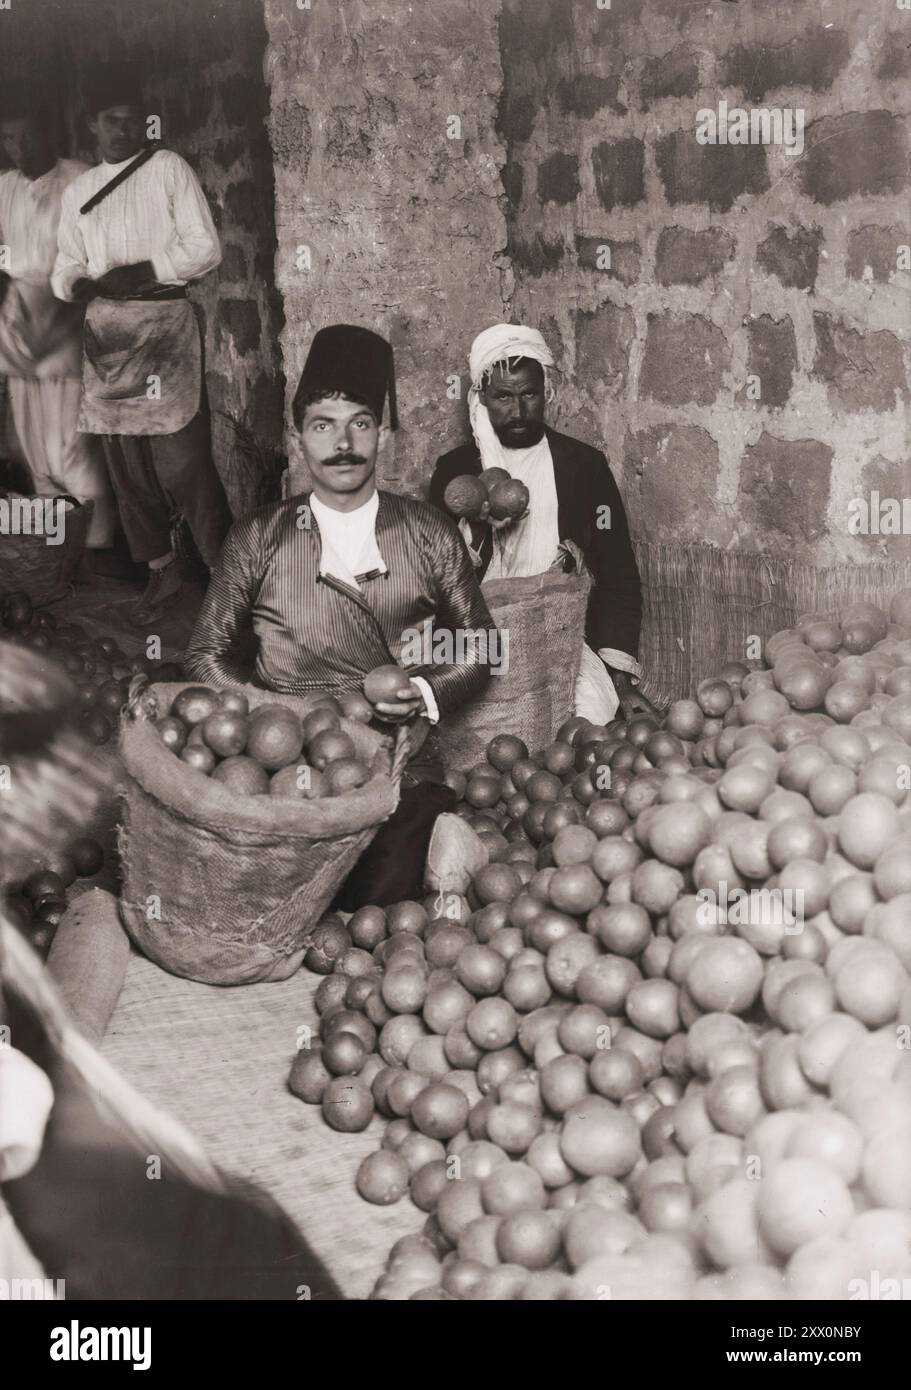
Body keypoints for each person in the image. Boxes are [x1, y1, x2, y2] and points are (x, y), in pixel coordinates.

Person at [185, 324, 495, 907]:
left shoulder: (427, 531)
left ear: (382, 435)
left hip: (389, 752)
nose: (343, 443)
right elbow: (205, 653)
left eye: (360, 423)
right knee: (254, 876)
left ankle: (432, 842)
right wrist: (268, 718)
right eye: (323, 425)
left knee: (376, 888)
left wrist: (425, 696)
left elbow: (482, 645)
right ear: (300, 438)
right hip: (282, 754)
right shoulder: (258, 537)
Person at [51, 64, 232, 624]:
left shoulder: (168, 169)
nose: (125, 131)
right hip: (107, 335)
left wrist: (146, 268)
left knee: (183, 466)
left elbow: (205, 247)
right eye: (113, 122)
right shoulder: (79, 190)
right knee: (127, 470)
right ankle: (163, 573)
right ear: (93, 127)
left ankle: (229, 583)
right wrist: (77, 283)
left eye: (134, 122)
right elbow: (66, 263)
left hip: (163, 324)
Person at [430, 322, 656, 723]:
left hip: (559, 637)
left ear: (546, 392)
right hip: (477, 639)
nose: (517, 411)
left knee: (589, 721)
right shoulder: (456, 473)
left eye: (529, 394)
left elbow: (619, 575)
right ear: (481, 399)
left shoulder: (584, 467)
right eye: (502, 397)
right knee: (464, 724)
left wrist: (621, 681)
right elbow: (433, 580)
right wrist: (480, 529)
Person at [0, 96, 114, 550]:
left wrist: (66, 310)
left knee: (72, 446)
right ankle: (58, 554)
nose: (19, 147)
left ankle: (97, 545)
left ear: (48, 133)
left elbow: (99, 259)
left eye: (27, 136)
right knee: (35, 448)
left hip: (68, 313)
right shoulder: (4, 187)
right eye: (9, 138)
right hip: (20, 320)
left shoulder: (80, 179)